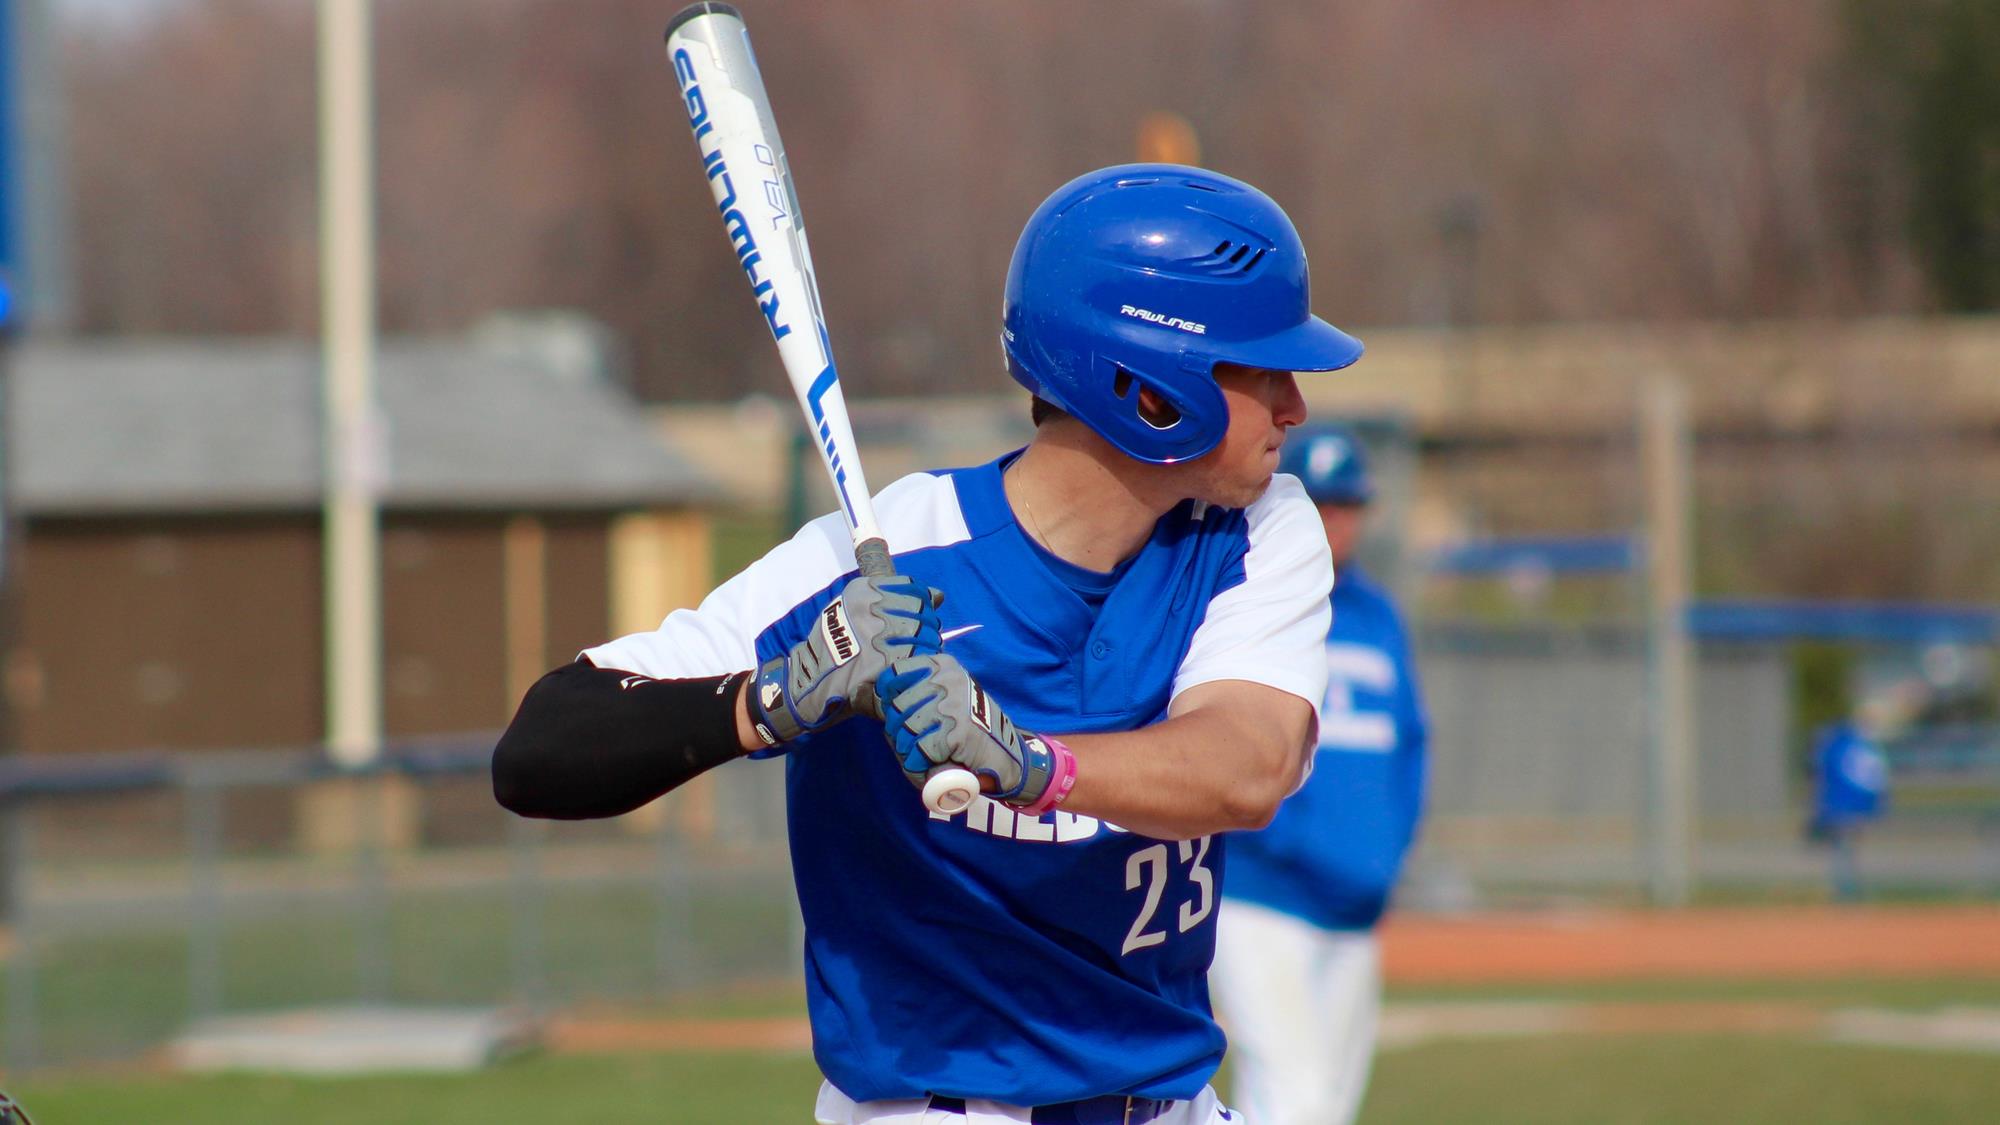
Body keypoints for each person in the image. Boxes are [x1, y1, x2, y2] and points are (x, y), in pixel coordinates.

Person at [492, 163, 1365, 1125]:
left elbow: (1246, 766)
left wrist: (1028, 763)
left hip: (1170, 1103)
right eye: (1262, 372)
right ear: (1149, 389)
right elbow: (541, 749)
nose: (1295, 407)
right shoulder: (881, 558)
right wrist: (773, 700)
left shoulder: (1254, 530)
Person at [1209, 424, 1429, 1125]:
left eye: (1349, 505)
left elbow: (1409, 745)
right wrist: (1289, 842)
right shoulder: (1248, 595)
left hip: (1356, 902)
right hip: (1263, 893)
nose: (1337, 521)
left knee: (1328, 1105)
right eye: (1322, 504)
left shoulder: (1379, 616)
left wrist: (1386, 853)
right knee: (1294, 1097)